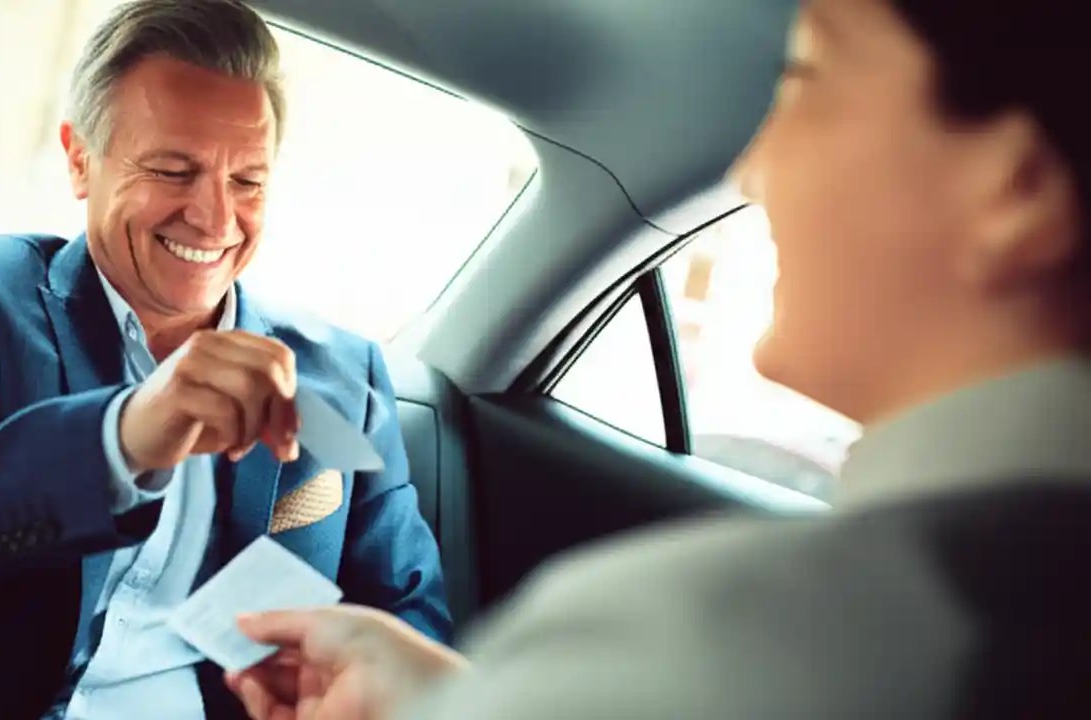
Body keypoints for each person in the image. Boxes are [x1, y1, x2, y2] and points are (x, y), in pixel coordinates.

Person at [226, 0, 1091, 717]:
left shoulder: (708, 645)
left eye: (807, 84)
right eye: (172, 169)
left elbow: (400, 572)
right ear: (85, 160)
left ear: (1016, 190)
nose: (753, 169)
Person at [0, 1, 449, 717]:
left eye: (248, 181)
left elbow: (405, 622)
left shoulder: (342, 379)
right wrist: (118, 439)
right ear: (81, 159)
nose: (214, 218)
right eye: (174, 171)